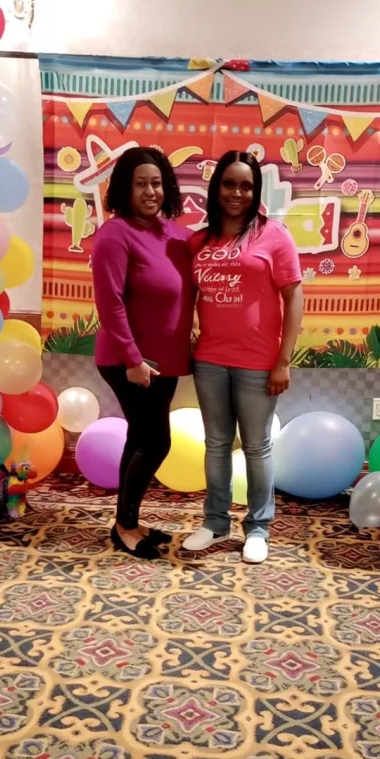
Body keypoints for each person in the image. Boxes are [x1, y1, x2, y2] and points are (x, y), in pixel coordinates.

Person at [183, 150, 303, 564]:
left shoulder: (274, 235)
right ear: (216, 187)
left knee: (256, 446)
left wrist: (283, 361)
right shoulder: (198, 241)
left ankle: (258, 528)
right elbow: (184, 299)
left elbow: (294, 298)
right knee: (216, 444)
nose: (237, 193)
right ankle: (215, 523)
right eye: (229, 184)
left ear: (256, 191)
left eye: (246, 186)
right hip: (210, 359)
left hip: (259, 362)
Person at [91, 146, 194, 559]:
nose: (150, 192)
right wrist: (133, 359)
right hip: (129, 362)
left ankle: (127, 520)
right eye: (140, 184)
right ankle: (125, 526)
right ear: (125, 189)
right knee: (155, 443)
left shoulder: (177, 235)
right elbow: (110, 302)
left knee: (140, 438)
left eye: (156, 183)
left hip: (164, 362)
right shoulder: (114, 234)